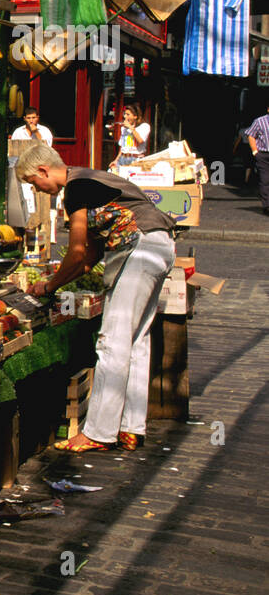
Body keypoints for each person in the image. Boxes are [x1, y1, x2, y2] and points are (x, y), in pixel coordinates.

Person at [16, 143, 176, 453]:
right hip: (161, 246)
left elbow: (76, 252)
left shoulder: (75, 188)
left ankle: (99, 433)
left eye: (34, 183)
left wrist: (49, 287)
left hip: (140, 248)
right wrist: (55, 281)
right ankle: (131, 428)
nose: (39, 190)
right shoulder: (92, 179)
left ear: (43, 170)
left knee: (111, 341)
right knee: (136, 340)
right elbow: (88, 258)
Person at [110, 104, 150, 170]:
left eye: (128, 114)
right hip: (123, 158)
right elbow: (123, 147)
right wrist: (116, 160)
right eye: (125, 114)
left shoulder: (144, 126)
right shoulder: (124, 129)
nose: (125, 116)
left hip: (136, 158)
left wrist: (131, 128)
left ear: (135, 116)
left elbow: (140, 140)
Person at [247, 101, 269, 215]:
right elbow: (251, 135)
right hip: (264, 155)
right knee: (265, 180)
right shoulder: (260, 121)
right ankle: (267, 206)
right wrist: (255, 151)